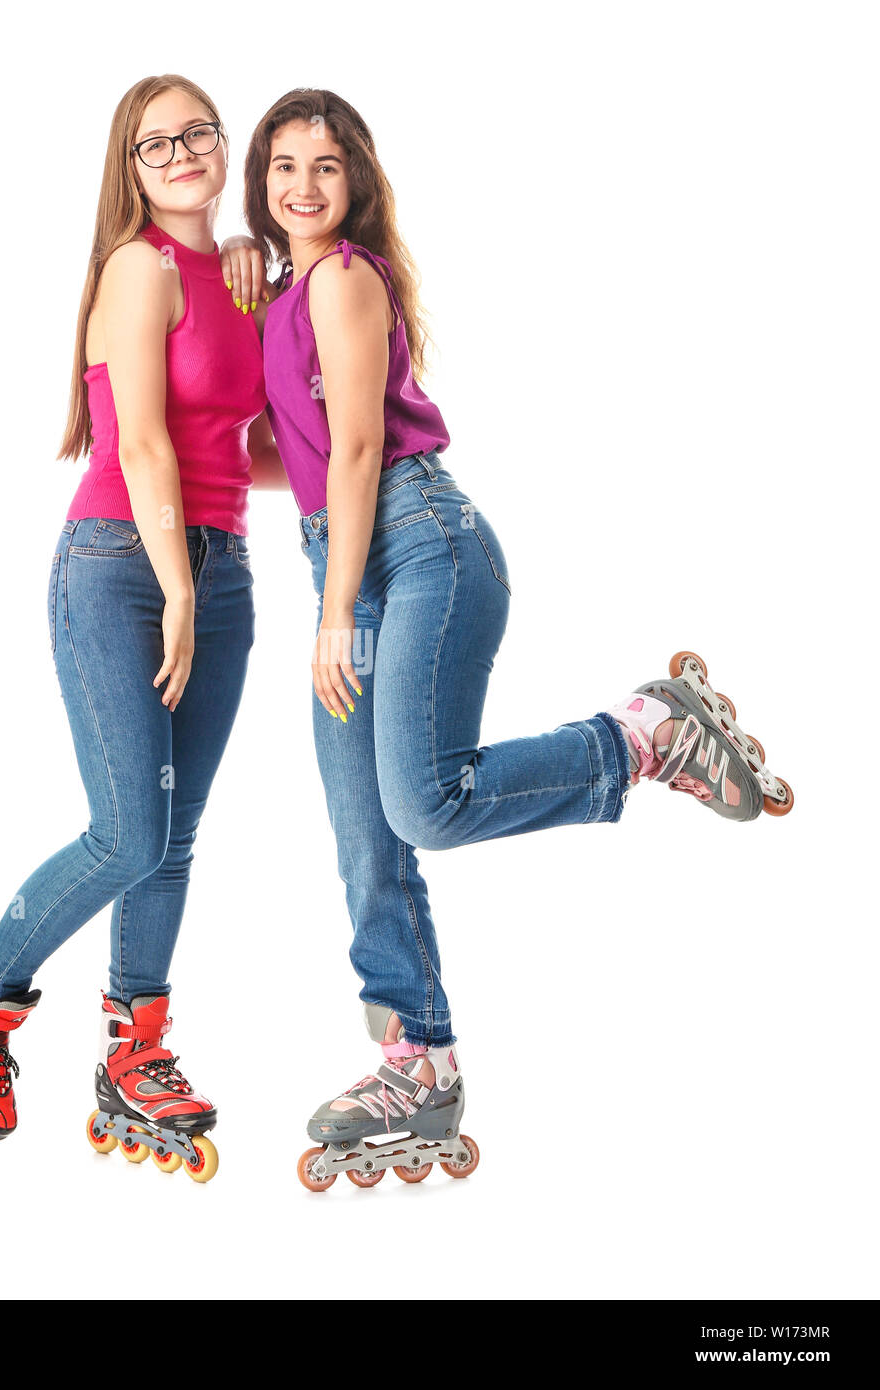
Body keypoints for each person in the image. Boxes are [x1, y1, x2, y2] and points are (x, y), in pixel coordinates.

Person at [241, 88, 794, 1192]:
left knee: (423, 803)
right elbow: (295, 460)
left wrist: (341, 610)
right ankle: (417, 1059)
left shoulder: (344, 280)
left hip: (416, 545)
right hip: (345, 551)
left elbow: (357, 453)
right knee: (367, 834)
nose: (303, 185)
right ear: (264, 180)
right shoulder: (286, 296)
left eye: (326, 166)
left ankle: (639, 736)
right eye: (285, 165)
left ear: (354, 187)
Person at [0, 74, 281, 1179]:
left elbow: (242, 449)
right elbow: (142, 443)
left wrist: (357, 466)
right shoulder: (135, 269)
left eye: (202, 132)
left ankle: (135, 1052)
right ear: (131, 167)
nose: (186, 151)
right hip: (119, 569)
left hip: (222, 569)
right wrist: (176, 589)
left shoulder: (238, 274)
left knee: (172, 832)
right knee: (127, 831)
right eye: (160, 143)